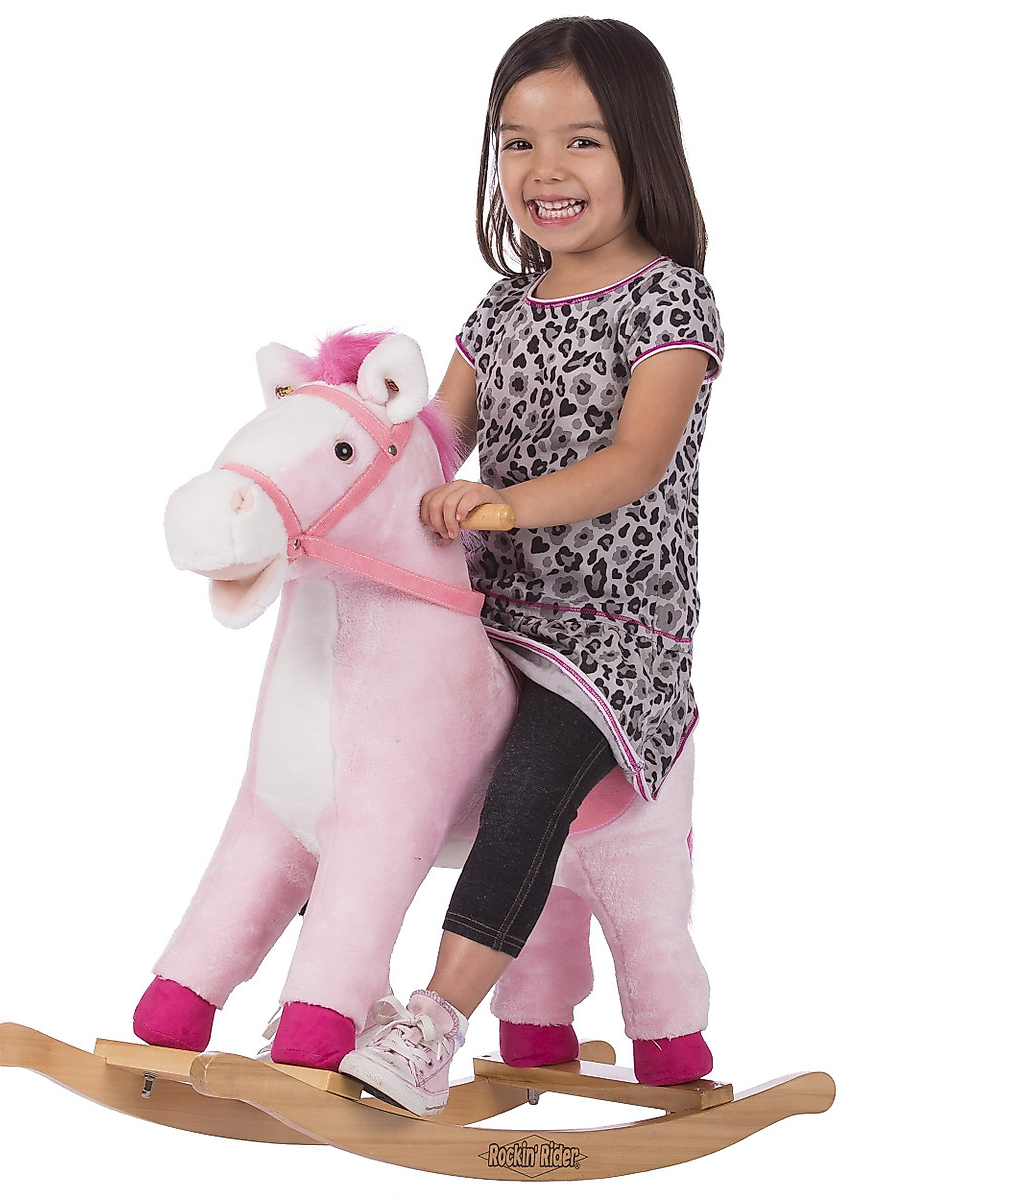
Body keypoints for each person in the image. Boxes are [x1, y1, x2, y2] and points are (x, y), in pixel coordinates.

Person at [339, 16, 723, 1117]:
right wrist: (345, 450)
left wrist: (502, 505)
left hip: (612, 638)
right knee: (367, 756)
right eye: (518, 143)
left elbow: (636, 461)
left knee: (527, 784)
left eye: (582, 142)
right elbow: (435, 441)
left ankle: (433, 1023)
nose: (544, 171)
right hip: (493, 615)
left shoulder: (671, 302)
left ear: (643, 148)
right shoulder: (501, 309)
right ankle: (340, 986)